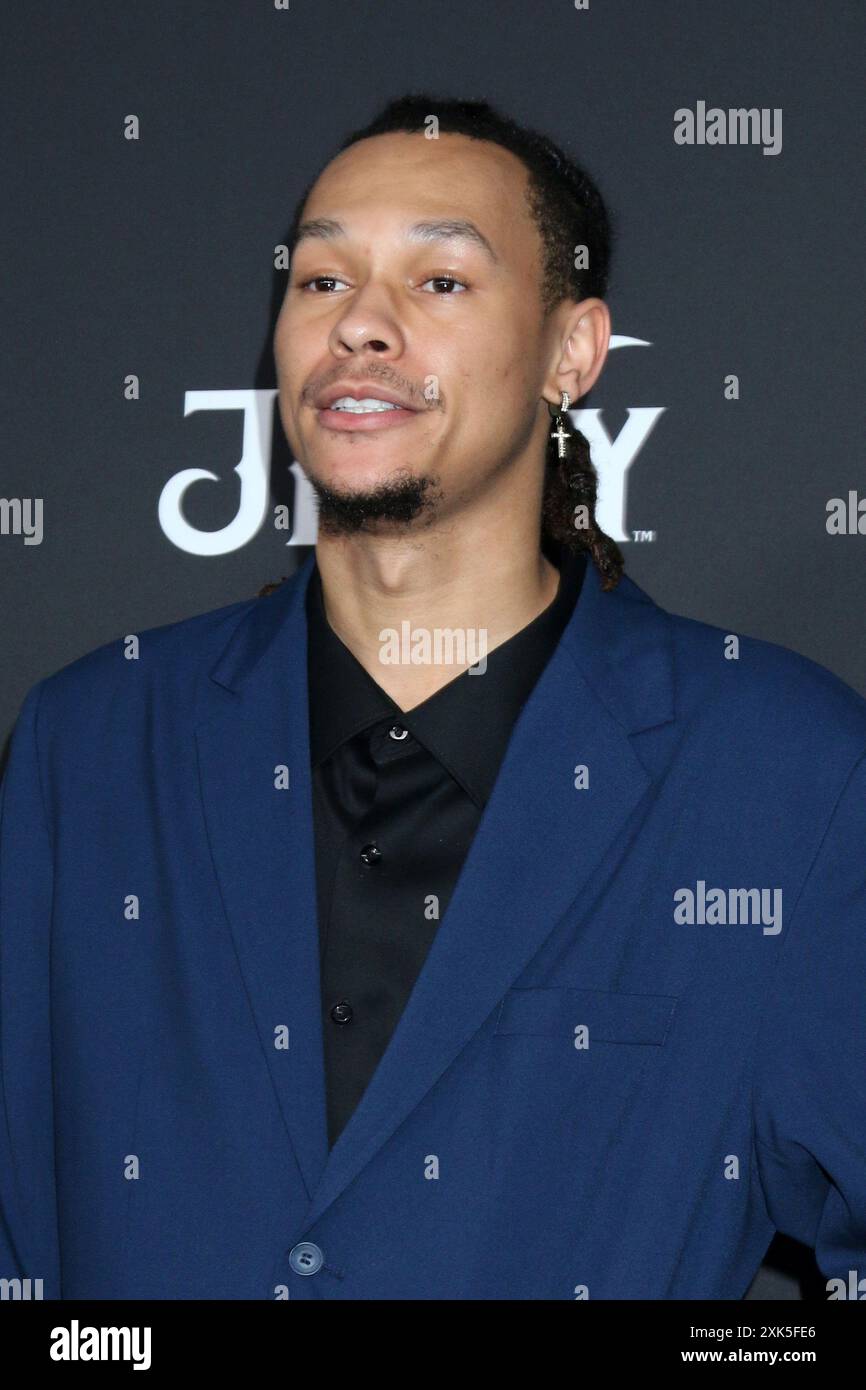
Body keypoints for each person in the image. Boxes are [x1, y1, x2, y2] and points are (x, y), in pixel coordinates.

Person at [2, 94, 865, 1301]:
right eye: (318, 279)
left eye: (440, 280)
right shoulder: (88, 744)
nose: (360, 323)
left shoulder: (782, 771)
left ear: (572, 351)